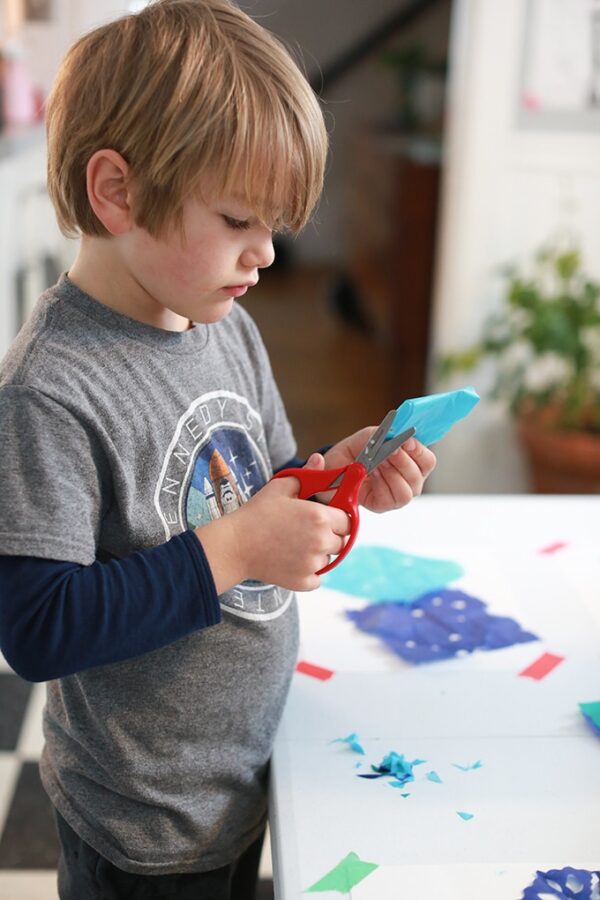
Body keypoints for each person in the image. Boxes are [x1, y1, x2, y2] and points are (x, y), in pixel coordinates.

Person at [0, 1, 436, 897]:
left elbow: (260, 481)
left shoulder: (221, 319)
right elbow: (37, 629)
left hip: (241, 772)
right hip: (143, 820)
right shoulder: (47, 391)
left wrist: (341, 471)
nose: (266, 255)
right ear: (116, 192)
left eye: (274, 225)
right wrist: (237, 549)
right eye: (240, 219)